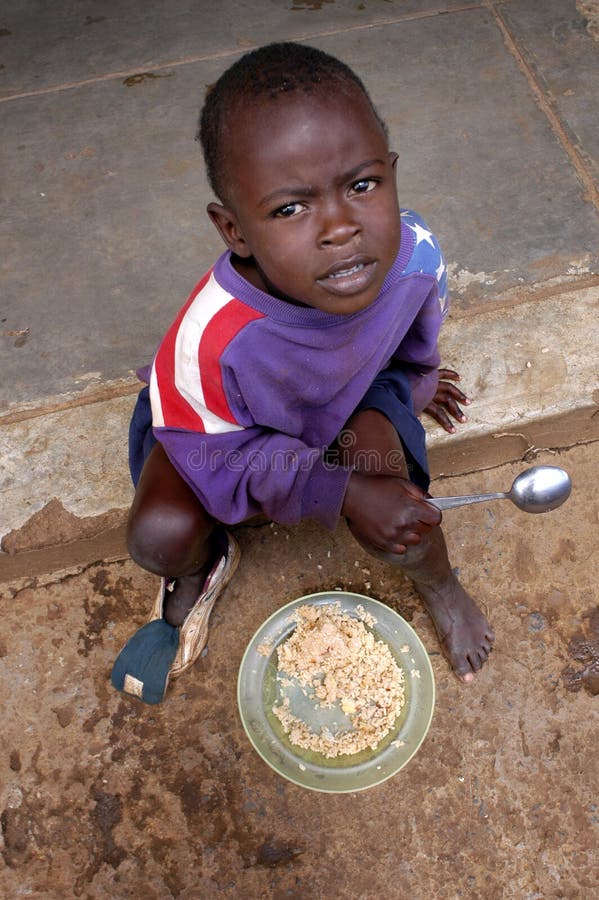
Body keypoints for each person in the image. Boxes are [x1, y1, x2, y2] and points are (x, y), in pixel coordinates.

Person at [113, 42, 494, 704]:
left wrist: (414, 379)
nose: (341, 227)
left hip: (348, 396)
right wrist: (338, 490)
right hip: (231, 434)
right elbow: (221, 457)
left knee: (398, 504)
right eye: (290, 209)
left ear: (392, 173)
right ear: (234, 230)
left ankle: (439, 582)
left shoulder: (412, 252)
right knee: (159, 536)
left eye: (362, 184)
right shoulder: (210, 342)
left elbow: (416, 321)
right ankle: (206, 565)